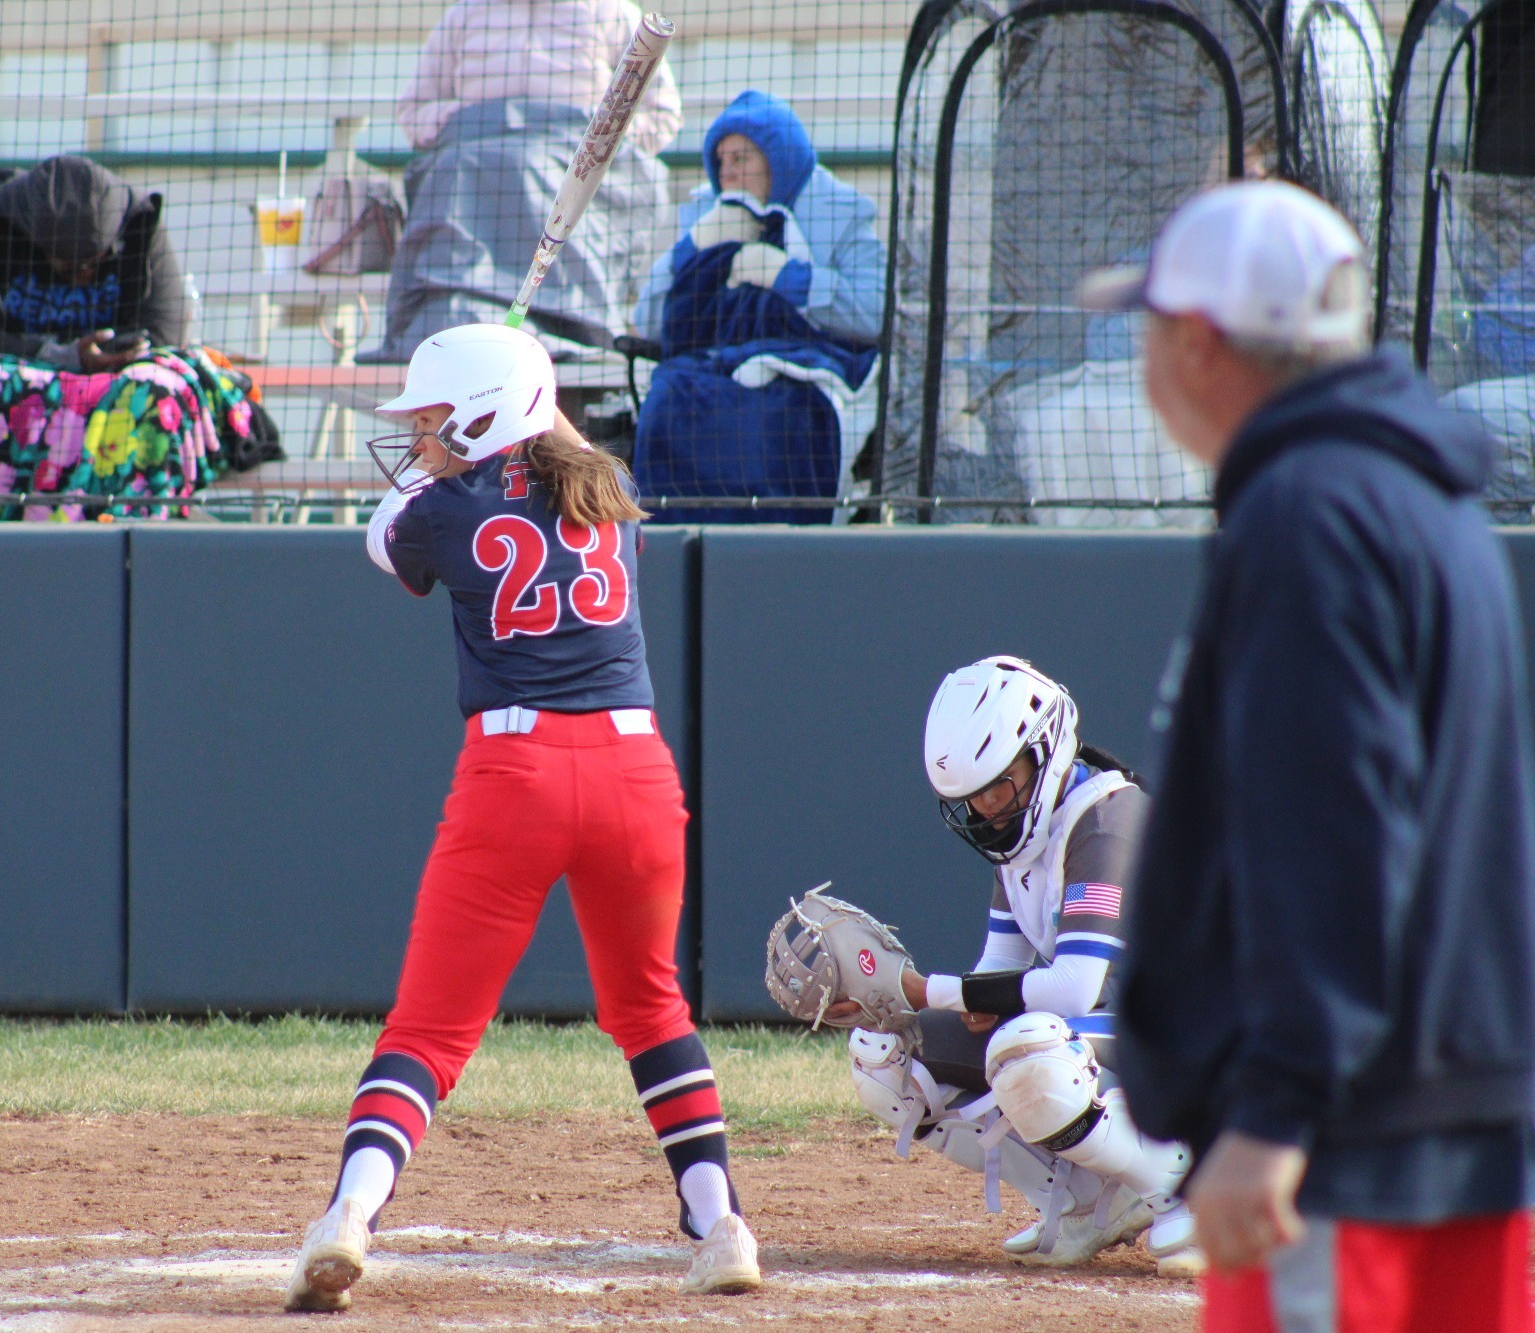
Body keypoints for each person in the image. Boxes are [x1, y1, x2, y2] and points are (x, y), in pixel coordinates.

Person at [1093, 181, 1535, 1329]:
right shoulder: (1421, 499)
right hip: (1452, 1107)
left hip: (1338, 1143)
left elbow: (1331, 828)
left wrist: (1276, 1109)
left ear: (1198, 340)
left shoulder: (1305, 513)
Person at [283, 324, 761, 1312]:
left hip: (516, 772)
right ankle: (719, 1224)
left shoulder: (440, 509)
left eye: (431, 422)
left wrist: (453, 455)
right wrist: (495, 402)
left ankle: (347, 1216)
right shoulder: (606, 490)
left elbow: (383, 540)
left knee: (426, 1029)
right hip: (635, 773)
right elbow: (550, 456)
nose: (417, 440)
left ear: (486, 415)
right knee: (650, 1010)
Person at [764, 656, 1203, 1276]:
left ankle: (1177, 1183)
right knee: (882, 1051)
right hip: (1120, 1032)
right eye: (972, 796)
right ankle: (1083, 1200)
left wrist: (921, 986)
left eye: (999, 784)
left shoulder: (1106, 820)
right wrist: (891, 1002)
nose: (988, 806)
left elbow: (1073, 988)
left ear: (1044, 751)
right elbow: (997, 974)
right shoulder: (1027, 831)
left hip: (1200, 1040)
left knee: (1027, 1049)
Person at [0, 155, 276, 520]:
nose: (82, 274)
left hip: (107, 402)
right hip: (16, 396)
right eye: (66, 266)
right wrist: (60, 356)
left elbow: (161, 337)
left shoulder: (138, 224)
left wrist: (105, 359)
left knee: (155, 392)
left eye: (93, 263)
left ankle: (129, 533)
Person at [362, 0, 680, 363]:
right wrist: (470, 121)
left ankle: (573, 332)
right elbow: (414, 110)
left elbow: (662, 114)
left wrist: (599, 140)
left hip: (577, 166)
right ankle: (453, 332)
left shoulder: (609, 11)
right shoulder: (464, 14)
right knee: (456, 169)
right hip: (474, 168)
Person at [627, 92, 885, 523]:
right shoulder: (705, 210)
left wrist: (791, 277)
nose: (726, 173)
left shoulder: (843, 213)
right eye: (720, 161)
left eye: (740, 159)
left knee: (775, 416)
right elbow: (649, 322)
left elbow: (874, 313)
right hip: (708, 366)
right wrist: (692, 248)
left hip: (800, 370)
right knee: (669, 396)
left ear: (776, 158)